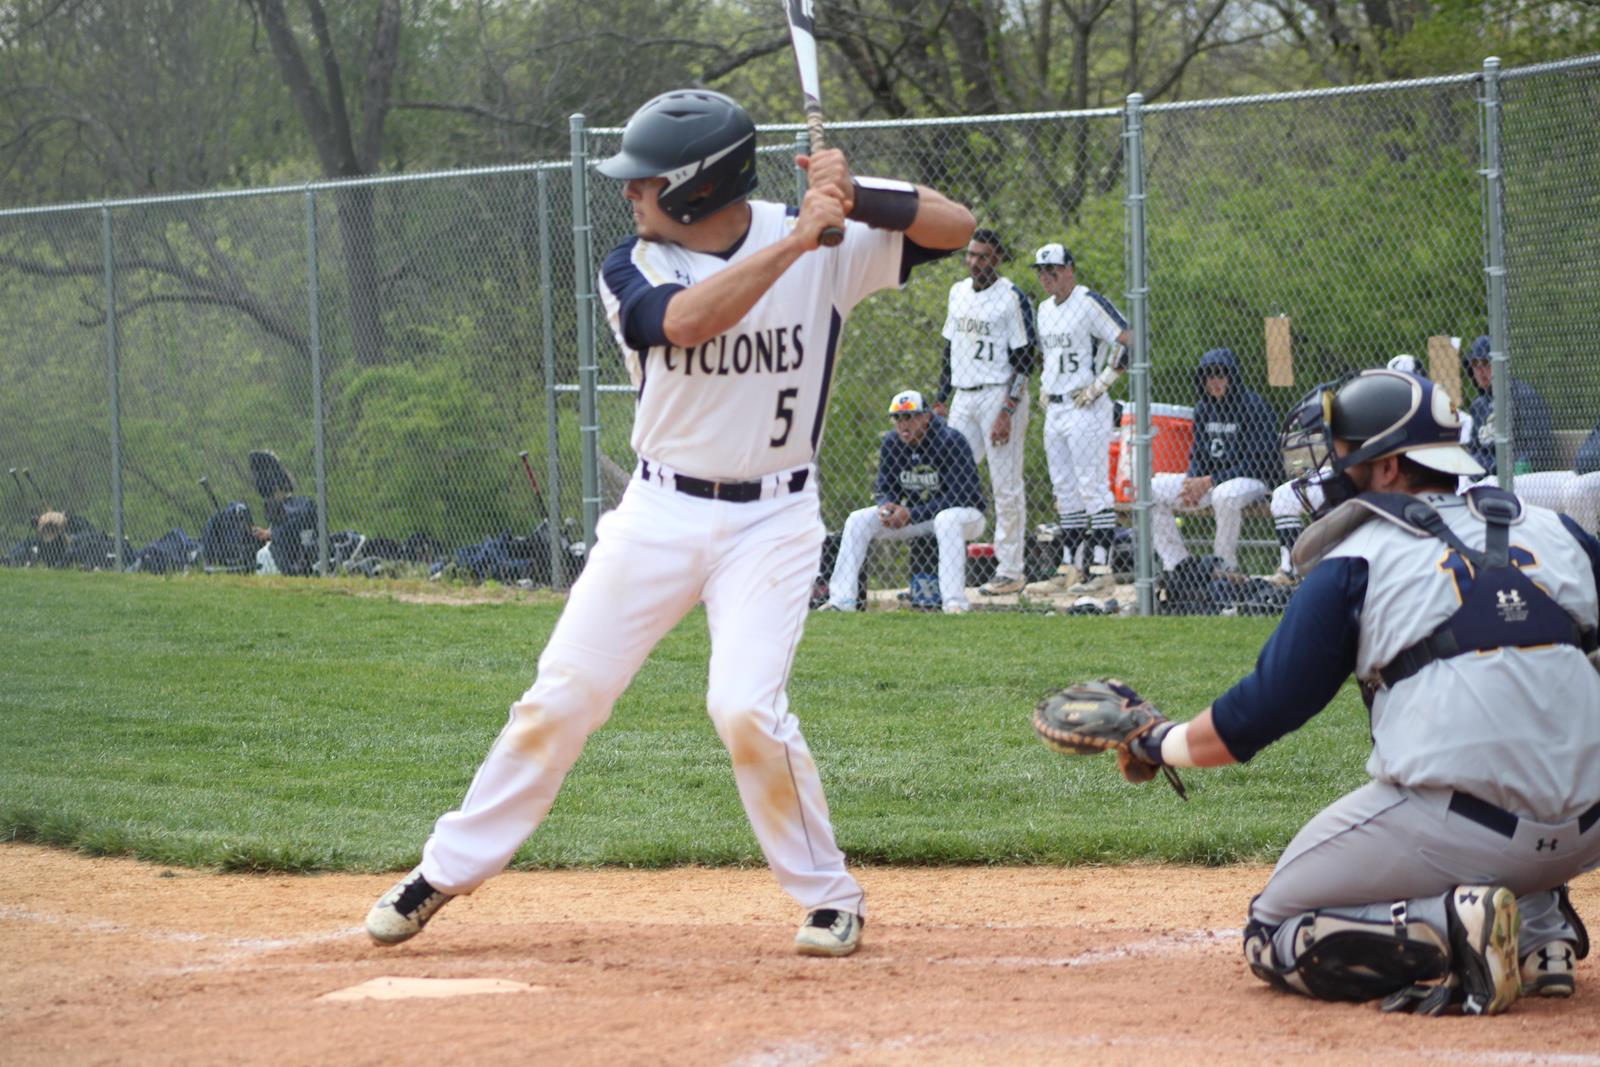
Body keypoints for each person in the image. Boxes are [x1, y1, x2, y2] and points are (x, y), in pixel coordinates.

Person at [364, 88, 976, 958]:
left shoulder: (820, 232)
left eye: (645, 182)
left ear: (695, 186)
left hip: (774, 518)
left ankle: (829, 897)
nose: (629, 194)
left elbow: (958, 226)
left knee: (745, 710)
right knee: (561, 695)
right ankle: (443, 871)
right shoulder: (635, 265)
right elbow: (683, 323)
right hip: (658, 511)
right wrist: (805, 237)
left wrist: (859, 195)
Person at [1113, 367, 1600, 1015]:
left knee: (1272, 930)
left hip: (1462, 824)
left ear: (1391, 467)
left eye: (1342, 456)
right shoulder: (1559, 532)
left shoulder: (1357, 556)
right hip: (1590, 830)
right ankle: (1544, 933)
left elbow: (1254, 717)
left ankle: (1452, 927)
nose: (1324, 471)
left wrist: (1154, 741)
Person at [934, 228, 1037, 596]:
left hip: (998, 392)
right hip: (963, 393)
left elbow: (1026, 360)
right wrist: (941, 396)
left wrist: (1008, 409)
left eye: (984, 256)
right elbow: (949, 348)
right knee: (949, 478)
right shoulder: (958, 292)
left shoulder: (1011, 298)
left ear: (997, 259)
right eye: (971, 255)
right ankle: (945, 571)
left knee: (1005, 484)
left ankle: (1010, 570)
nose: (975, 262)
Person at [821, 389, 985, 614]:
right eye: (897, 418)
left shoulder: (950, 440)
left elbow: (961, 495)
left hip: (966, 517)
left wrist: (911, 514)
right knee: (858, 519)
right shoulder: (892, 443)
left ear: (926, 417)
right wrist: (887, 506)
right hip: (919, 516)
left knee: (946, 520)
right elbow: (884, 488)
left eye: (909, 417)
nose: (902, 424)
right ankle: (841, 601)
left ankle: (954, 603)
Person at [1030, 242, 1133, 594]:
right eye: (1041, 271)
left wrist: (1102, 384)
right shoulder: (1043, 309)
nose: (1046, 277)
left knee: (1091, 484)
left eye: (1053, 270)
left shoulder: (1087, 302)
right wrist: (1045, 385)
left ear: (1070, 269)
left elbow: (1128, 338)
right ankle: (1070, 565)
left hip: (1086, 404)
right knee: (1064, 487)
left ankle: (1102, 566)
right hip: (1055, 406)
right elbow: (1048, 354)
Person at [1268, 354, 1423, 584]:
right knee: (1283, 495)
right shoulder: (1378, 409)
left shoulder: (1427, 417)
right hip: (1358, 472)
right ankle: (1290, 570)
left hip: (1385, 481)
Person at [1150, 347, 1280, 587]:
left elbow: (1257, 462)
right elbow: (1199, 453)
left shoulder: (1253, 406)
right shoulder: (1203, 409)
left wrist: (1208, 481)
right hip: (1212, 481)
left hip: (1252, 480)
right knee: (1151, 489)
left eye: (1221, 375)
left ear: (1233, 377)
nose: (1215, 382)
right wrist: (1192, 482)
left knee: (1224, 495)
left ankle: (1224, 566)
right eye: (1209, 376)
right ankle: (1179, 565)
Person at [1458, 336, 1598, 533]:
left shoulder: (1523, 396)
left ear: (1499, 364)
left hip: (1521, 477)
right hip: (1485, 477)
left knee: (1487, 486)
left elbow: (1537, 449)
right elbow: (1474, 450)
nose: (1481, 371)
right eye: (1475, 364)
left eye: (1486, 363)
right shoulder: (1478, 406)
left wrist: (1500, 468)